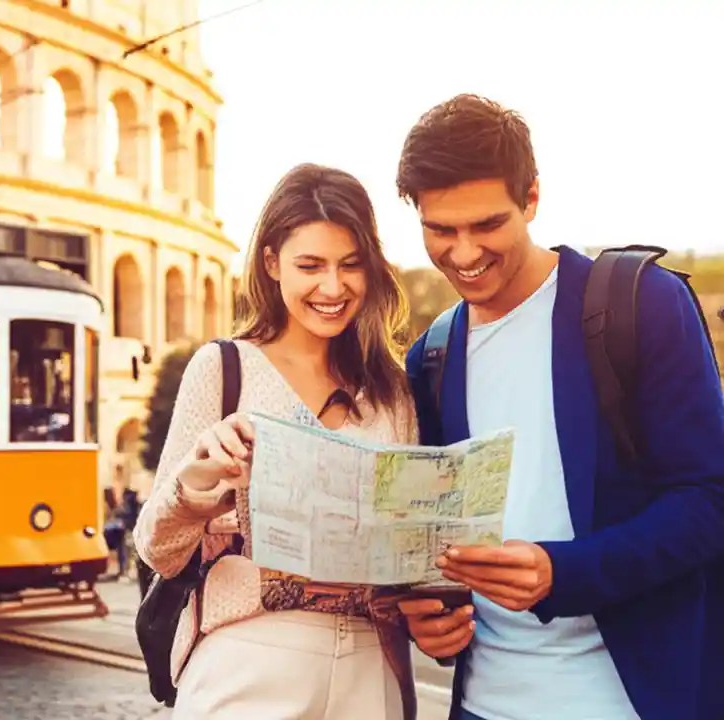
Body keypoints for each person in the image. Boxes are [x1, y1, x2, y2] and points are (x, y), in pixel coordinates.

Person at [395, 94, 724, 720]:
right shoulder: (432, 357)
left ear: (532, 199)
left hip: (632, 702)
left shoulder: (641, 305)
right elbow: (437, 540)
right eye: (441, 230)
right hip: (485, 705)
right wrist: (431, 618)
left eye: (487, 225)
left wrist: (563, 572)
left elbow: (710, 499)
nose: (463, 254)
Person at [133, 163, 426, 719]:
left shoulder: (394, 392)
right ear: (271, 264)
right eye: (310, 266)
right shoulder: (224, 369)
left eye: (351, 266)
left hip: (372, 667)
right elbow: (157, 549)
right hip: (249, 658)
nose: (333, 288)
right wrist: (195, 486)